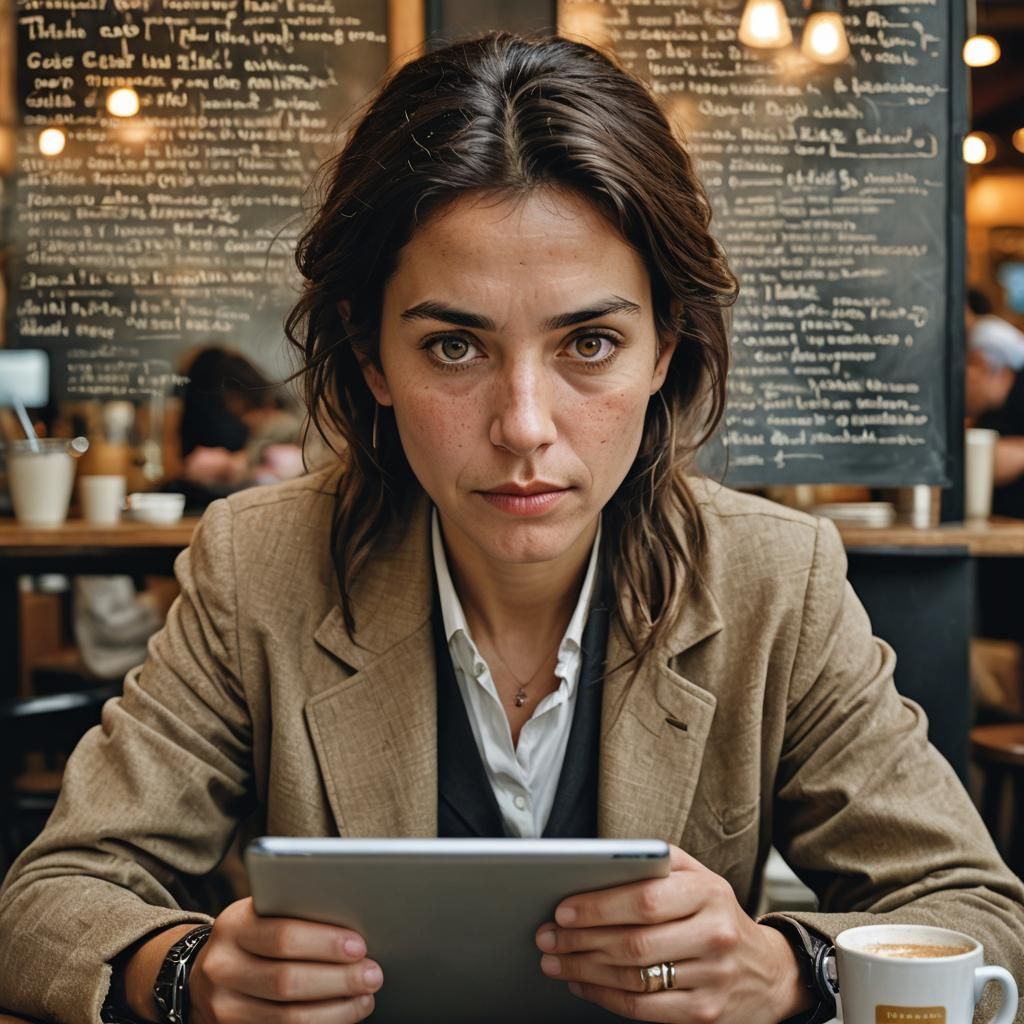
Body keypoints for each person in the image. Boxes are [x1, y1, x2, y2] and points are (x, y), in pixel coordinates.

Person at [1, 33, 1022, 1024]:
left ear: (663, 348)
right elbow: (47, 900)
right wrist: (178, 971)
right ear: (370, 358)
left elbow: (979, 913)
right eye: (454, 345)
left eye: (588, 341)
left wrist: (788, 970)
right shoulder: (261, 564)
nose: (523, 425)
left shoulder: (771, 576)